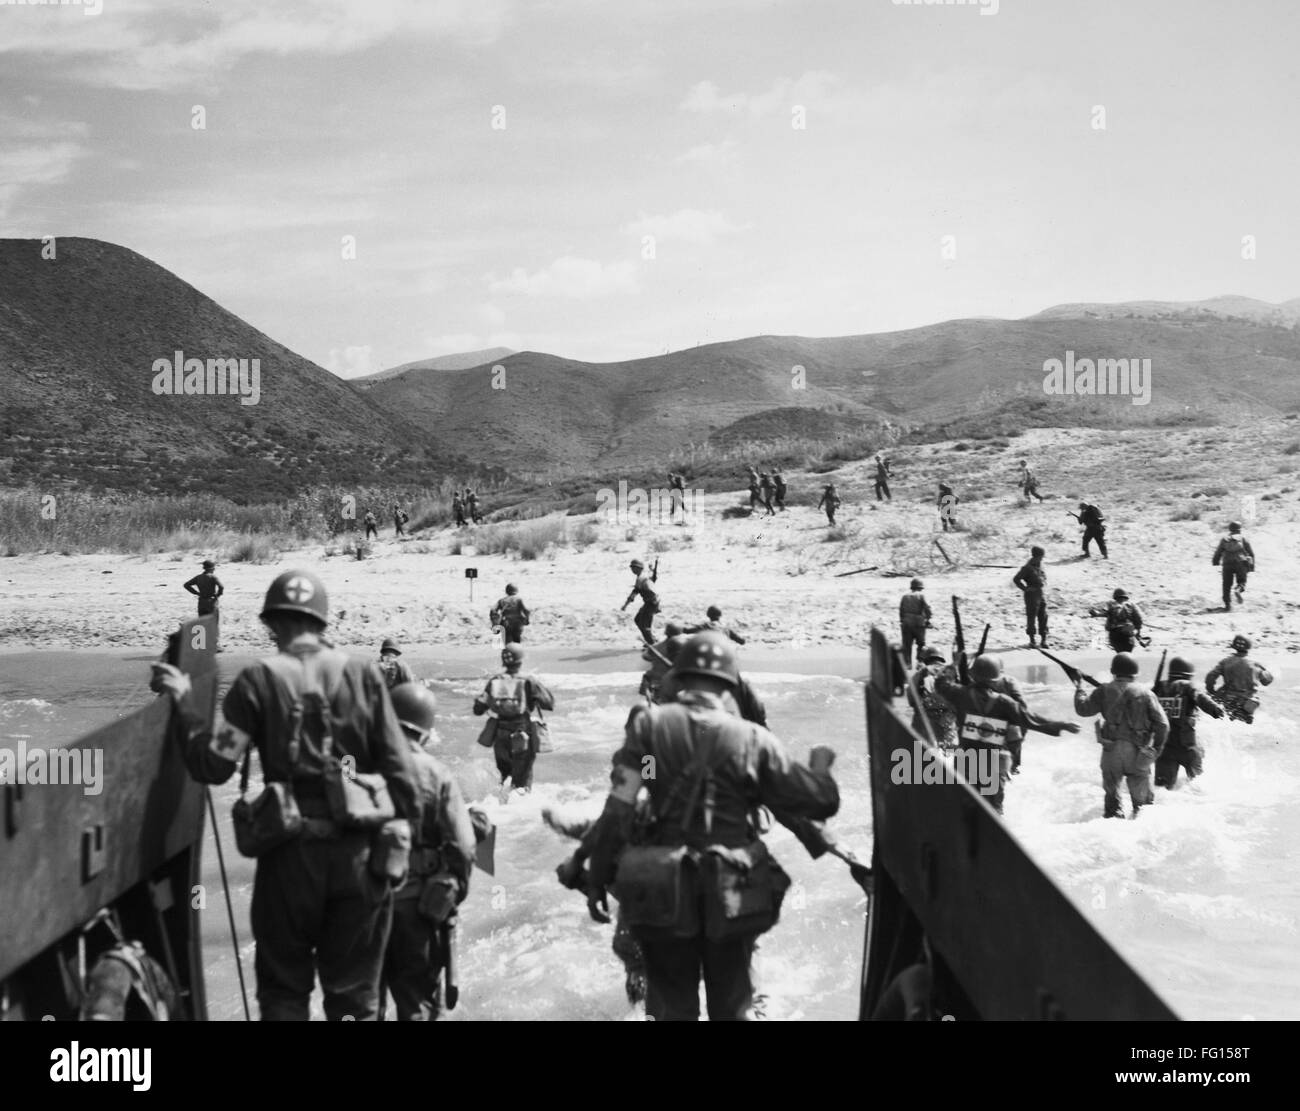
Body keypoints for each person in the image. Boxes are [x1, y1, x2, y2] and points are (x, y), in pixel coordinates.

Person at [149, 569, 419, 1020]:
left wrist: (181, 702)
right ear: (323, 622)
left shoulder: (257, 680)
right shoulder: (364, 676)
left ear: (271, 623)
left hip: (289, 857)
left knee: (283, 995)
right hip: (358, 856)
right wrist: (399, 852)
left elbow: (213, 765)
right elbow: (402, 772)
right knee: (355, 999)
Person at [581, 633, 841, 1021]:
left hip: (665, 881)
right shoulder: (752, 735)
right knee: (734, 998)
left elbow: (620, 808)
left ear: (678, 674)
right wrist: (820, 766)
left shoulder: (649, 725)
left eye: (657, 668)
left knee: (670, 1002)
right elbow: (817, 800)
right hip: (731, 884)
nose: (652, 674)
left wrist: (598, 875)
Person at [381, 683, 477, 1021]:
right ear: (425, 731)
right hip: (414, 911)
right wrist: (451, 892)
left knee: (357, 1007)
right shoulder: (436, 774)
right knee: (418, 1008)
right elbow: (463, 848)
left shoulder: (352, 767)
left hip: (358, 909)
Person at [935, 654, 1080, 814]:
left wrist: (953, 664)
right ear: (996, 680)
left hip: (967, 759)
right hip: (995, 761)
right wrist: (1061, 724)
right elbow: (1030, 719)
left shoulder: (959, 693)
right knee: (994, 811)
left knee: (963, 808)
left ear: (973, 675)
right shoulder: (1004, 702)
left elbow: (941, 683)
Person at [1072, 653, 1168, 819]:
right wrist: (1155, 750)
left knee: (1112, 807)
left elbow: (1082, 709)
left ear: (1112, 671)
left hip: (1111, 753)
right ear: (1136, 673)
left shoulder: (1103, 691)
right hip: (1138, 754)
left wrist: (1079, 687)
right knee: (1143, 811)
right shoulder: (1146, 694)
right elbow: (1163, 725)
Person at [473, 643, 555, 796]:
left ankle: (500, 811)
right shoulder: (528, 681)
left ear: (503, 661)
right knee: (522, 785)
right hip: (522, 736)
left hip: (500, 737)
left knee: (504, 779)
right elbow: (549, 704)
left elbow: (478, 709)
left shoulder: (495, 681)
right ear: (521, 660)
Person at [1153, 657, 1225, 789]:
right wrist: (1215, 709)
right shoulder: (1187, 686)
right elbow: (1200, 698)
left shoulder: (1158, 688)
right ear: (1188, 674)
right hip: (1187, 746)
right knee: (1199, 784)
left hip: (1164, 748)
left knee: (1162, 789)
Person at [1206, 635, 1273, 724]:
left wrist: (1211, 691)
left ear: (1234, 646)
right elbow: (1267, 681)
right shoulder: (1255, 664)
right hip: (1248, 701)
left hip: (1228, 698)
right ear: (1249, 647)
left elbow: (1210, 677)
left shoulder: (1225, 661)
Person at [908, 646, 957, 750]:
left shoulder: (918, 675)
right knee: (946, 755)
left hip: (923, 722)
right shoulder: (951, 673)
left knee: (918, 757)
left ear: (925, 659)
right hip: (946, 721)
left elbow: (911, 700)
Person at [986, 657, 1029, 774]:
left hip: (1010, 724)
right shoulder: (977, 683)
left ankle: (1013, 766)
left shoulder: (1010, 682)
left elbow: (1022, 708)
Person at [1212, 521, 1255, 611]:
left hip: (1227, 564)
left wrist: (1215, 561)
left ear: (1230, 529)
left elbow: (1218, 552)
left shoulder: (1224, 539)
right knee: (1241, 582)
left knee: (1226, 585)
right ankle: (1238, 590)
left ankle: (1228, 605)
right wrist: (1251, 567)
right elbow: (1251, 553)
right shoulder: (1243, 538)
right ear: (1239, 529)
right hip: (1240, 563)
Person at [1012, 545, 1049, 648]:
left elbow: (1043, 577)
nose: (1042, 558)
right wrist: (1025, 589)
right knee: (1032, 616)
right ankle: (1032, 640)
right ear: (1036, 556)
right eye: (1041, 556)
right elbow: (1016, 579)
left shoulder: (1040, 565)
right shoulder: (1027, 567)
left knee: (1043, 616)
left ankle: (1043, 640)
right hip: (1031, 595)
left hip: (1040, 593)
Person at [640, 623, 687, 703]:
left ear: (666, 632)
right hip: (673, 684)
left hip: (656, 681)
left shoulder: (656, 647)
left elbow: (645, 656)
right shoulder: (683, 646)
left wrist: (654, 658)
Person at [1089, 588, 1144, 653]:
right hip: (1127, 633)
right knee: (1128, 654)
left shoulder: (1110, 604)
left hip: (1114, 634)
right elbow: (1139, 619)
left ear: (1115, 597)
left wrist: (1095, 613)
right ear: (1126, 596)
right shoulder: (1131, 605)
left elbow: (1103, 612)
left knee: (1119, 653)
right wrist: (1138, 631)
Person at [621, 559, 660, 645]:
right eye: (632, 568)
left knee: (644, 625)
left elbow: (634, 593)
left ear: (639, 568)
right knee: (638, 620)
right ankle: (651, 639)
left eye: (634, 567)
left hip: (651, 603)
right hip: (650, 602)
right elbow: (653, 579)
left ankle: (652, 643)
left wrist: (625, 605)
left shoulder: (641, 578)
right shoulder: (643, 576)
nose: (632, 570)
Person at [898, 578, 932, 667]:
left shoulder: (905, 596)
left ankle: (907, 664)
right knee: (921, 644)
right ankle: (919, 663)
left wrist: (902, 620)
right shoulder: (921, 595)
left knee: (907, 645)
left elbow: (901, 610)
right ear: (921, 587)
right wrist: (928, 620)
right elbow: (927, 608)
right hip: (919, 623)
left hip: (906, 623)